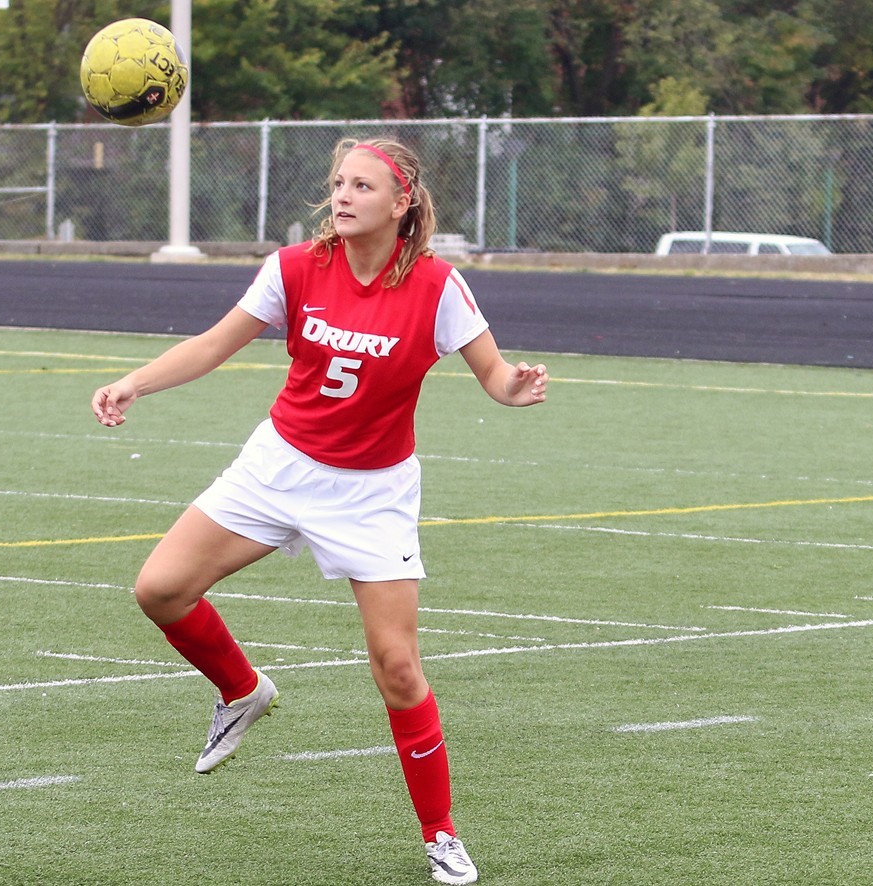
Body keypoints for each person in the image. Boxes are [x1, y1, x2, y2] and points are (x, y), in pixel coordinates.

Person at [91, 137, 549, 886]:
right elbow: (213, 344)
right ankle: (242, 690)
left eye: (362, 186)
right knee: (160, 589)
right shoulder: (296, 267)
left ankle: (440, 834)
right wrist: (135, 381)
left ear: (401, 204)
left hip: (373, 493)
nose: (342, 196)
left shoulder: (437, 286)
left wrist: (514, 388)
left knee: (398, 667)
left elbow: (494, 374)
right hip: (279, 467)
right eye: (337, 182)